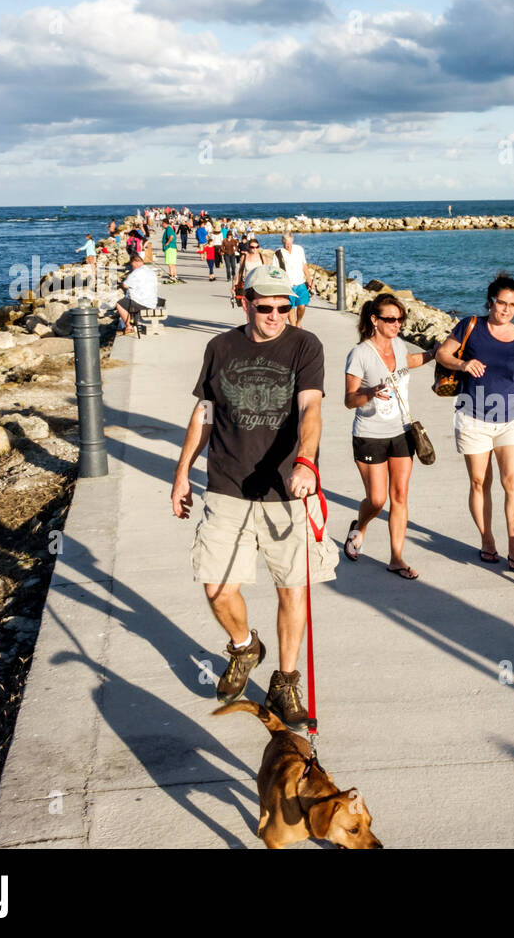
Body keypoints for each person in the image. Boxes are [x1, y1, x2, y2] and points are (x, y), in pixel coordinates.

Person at [173, 264, 337, 726]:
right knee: (217, 588)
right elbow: (204, 413)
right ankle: (245, 646)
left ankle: (286, 681)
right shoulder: (220, 347)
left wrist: (305, 460)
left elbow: (311, 407)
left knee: (292, 590)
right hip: (227, 485)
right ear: (244, 302)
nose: (276, 316)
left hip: (287, 489)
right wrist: (182, 473)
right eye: (266, 307)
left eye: (285, 307)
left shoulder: (305, 345)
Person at [435, 273, 514, 571]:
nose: (506, 309)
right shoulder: (470, 327)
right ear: (490, 301)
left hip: (511, 419)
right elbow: (442, 354)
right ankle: (487, 540)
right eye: (501, 303)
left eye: (512, 305)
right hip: (472, 417)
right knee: (480, 482)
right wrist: (463, 363)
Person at [342, 294, 436, 579]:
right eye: (391, 319)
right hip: (369, 435)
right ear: (375, 320)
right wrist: (370, 393)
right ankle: (360, 526)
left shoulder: (398, 344)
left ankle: (396, 558)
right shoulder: (359, 354)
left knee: (400, 496)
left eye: (401, 320)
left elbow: (409, 362)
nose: (397, 325)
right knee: (377, 500)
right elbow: (349, 400)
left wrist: (436, 353)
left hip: (402, 432)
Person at [274, 230, 313, 328]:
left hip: (300, 283)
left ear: (292, 240)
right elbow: (275, 271)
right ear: (282, 242)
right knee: (290, 308)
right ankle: (294, 326)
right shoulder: (278, 253)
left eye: (289, 243)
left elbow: (304, 265)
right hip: (287, 285)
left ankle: (298, 322)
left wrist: (309, 280)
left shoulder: (299, 249)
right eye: (286, 243)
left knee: (302, 305)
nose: (288, 246)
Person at [115, 252, 159, 336]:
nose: (132, 266)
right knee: (129, 301)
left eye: (132, 264)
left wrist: (123, 283)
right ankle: (131, 324)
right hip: (152, 302)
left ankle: (129, 327)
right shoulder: (151, 271)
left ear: (135, 262)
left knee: (119, 304)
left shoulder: (136, 272)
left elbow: (125, 285)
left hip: (143, 303)